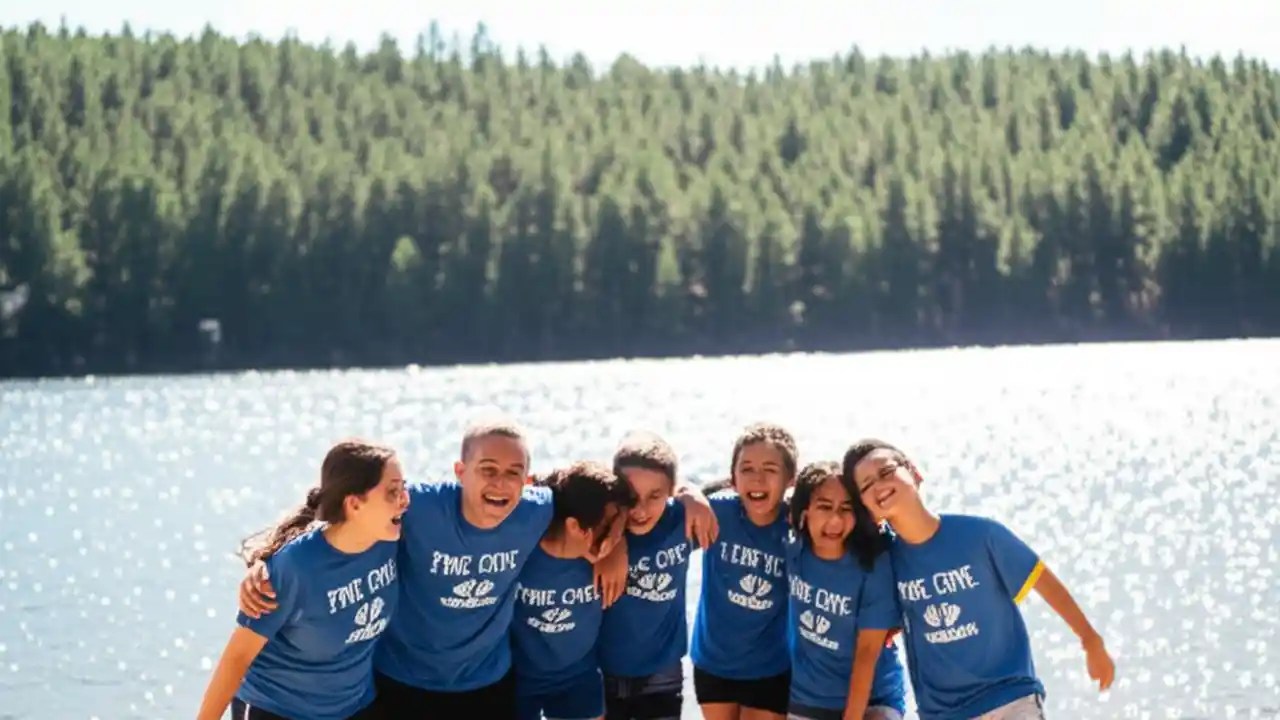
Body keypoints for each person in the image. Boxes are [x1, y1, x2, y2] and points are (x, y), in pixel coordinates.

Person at [237, 416, 716, 719]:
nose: (500, 483)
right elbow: (342, 506)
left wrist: (623, 541)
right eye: (487, 468)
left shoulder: (535, 510)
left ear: (528, 480)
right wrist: (269, 560)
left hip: (485, 685)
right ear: (459, 471)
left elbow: (599, 495)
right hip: (402, 680)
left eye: (513, 473)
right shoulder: (419, 507)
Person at [844, 439, 1117, 720]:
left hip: (1010, 697)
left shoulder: (981, 535)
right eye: (866, 485)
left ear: (914, 472)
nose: (878, 484)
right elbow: (869, 644)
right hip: (943, 713)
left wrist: (1090, 640)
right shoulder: (886, 565)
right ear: (868, 510)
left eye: (886, 472)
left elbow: (1043, 581)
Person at [197, 438, 408, 720]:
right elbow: (236, 659)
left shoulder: (389, 535)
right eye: (393, 492)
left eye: (404, 488)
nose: (405, 499)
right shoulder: (295, 567)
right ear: (354, 504)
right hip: (277, 709)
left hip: (354, 706)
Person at [597, 430, 719, 720]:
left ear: (670, 491)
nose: (640, 509)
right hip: (601, 672)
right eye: (631, 496)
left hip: (662, 674)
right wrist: (614, 539)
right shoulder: (597, 529)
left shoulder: (682, 523)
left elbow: (735, 491)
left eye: (655, 496)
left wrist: (692, 493)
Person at [512, 460, 637, 720]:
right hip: (516, 675)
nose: (613, 539)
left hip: (578, 675)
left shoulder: (602, 555)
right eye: (610, 531)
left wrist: (619, 542)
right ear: (574, 527)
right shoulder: (522, 547)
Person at [691, 422, 799, 720]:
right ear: (732, 479)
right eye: (747, 468)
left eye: (770, 469)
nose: (758, 478)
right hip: (713, 661)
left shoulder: (798, 524)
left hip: (770, 666)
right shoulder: (717, 512)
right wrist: (689, 493)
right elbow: (666, 517)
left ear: (790, 479)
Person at [785, 461, 905, 720]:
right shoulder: (794, 548)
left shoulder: (872, 564)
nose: (835, 519)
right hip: (806, 697)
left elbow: (867, 653)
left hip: (874, 697)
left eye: (846, 509)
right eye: (824, 507)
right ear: (805, 512)